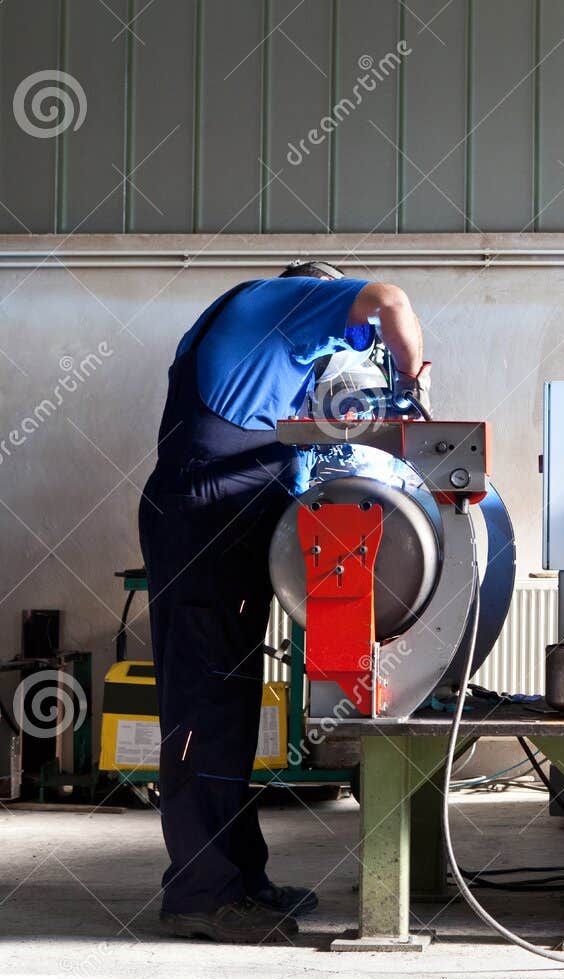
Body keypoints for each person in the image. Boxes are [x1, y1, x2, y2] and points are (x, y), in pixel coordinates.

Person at [140, 261, 430, 943]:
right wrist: (412, 390)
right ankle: (200, 892)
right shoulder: (289, 299)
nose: (343, 352)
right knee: (204, 709)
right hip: (203, 518)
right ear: (323, 299)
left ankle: (239, 878)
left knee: (232, 705)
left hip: (223, 515)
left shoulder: (258, 340)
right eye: (346, 338)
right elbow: (391, 298)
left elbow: (295, 448)